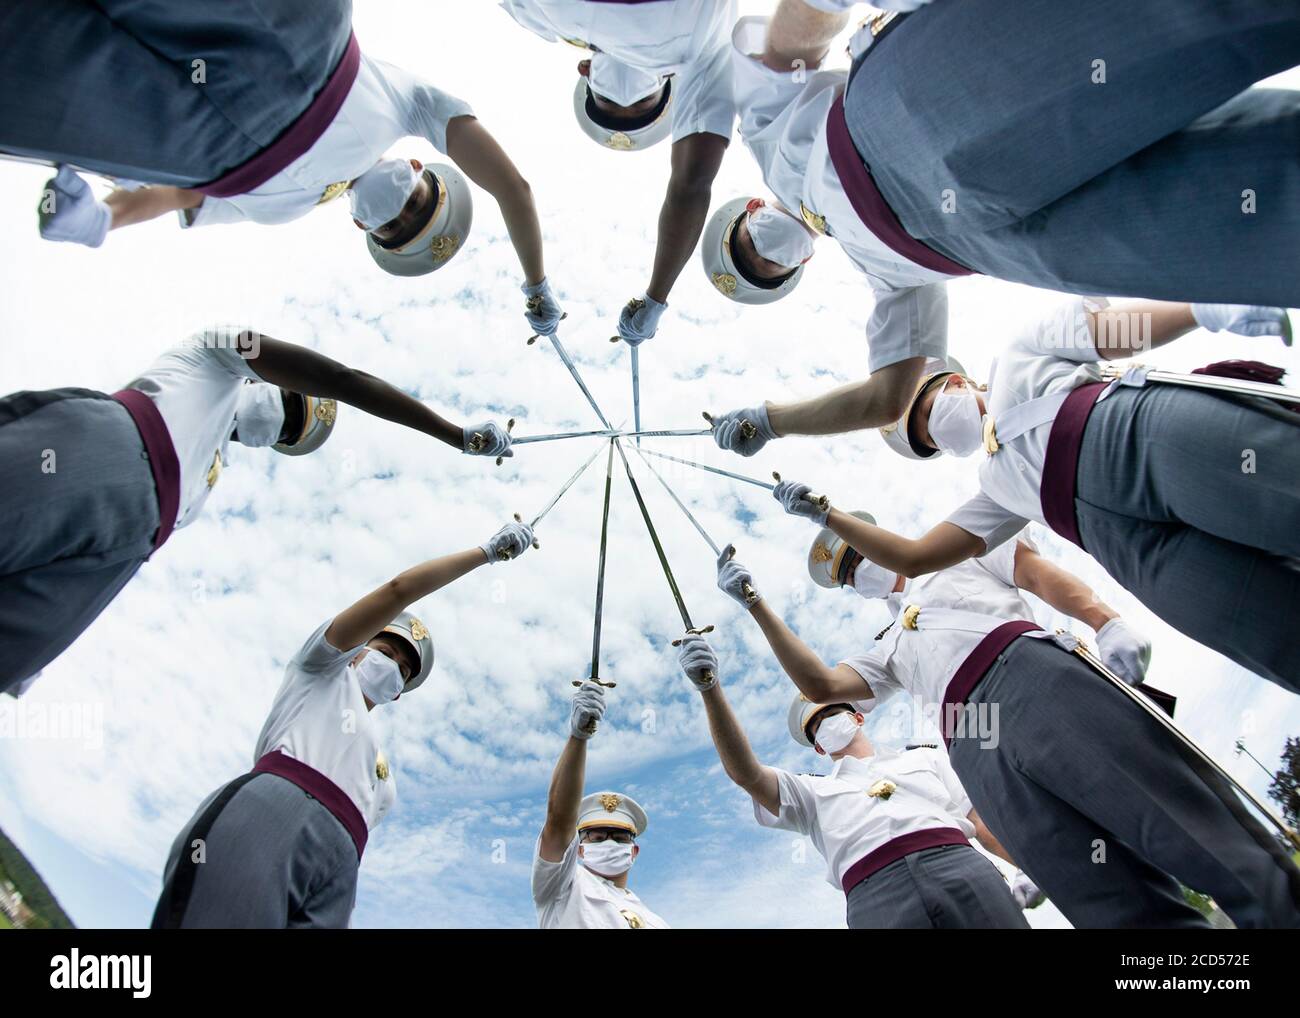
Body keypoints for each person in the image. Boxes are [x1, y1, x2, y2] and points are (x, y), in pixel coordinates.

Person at [706, 2, 1300, 455]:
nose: (767, 257)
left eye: (748, 250)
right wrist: (772, 419)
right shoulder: (888, 286)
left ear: (751, 209)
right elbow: (885, 398)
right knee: (1231, 219)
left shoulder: (767, 140)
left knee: (1170, 22)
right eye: (767, 270)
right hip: (982, 245)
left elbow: (787, 46)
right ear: (799, 267)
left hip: (900, 117)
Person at [718, 507, 1300, 927]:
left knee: (1178, 821)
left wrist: (1103, 619)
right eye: (846, 574)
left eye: (855, 554)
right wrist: (756, 606)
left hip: (1032, 678)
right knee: (1096, 892)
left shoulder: (959, 551)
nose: (857, 570)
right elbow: (820, 683)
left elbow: (1037, 574)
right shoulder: (887, 643)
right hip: (973, 745)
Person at [809, 297, 1298, 692]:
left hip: (1138, 436)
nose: (935, 432)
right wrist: (827, 513)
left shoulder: (1017, 354)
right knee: (1256, 624)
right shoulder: (995, 488)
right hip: (1128, 550)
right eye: (928, 440)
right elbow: (915, 559)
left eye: (927, 412)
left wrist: (1198, 312)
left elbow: (1111, 332)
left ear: (955, 381)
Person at [0, 326, 514, 696]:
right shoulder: (209, 357)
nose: (285, 420)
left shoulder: (206, 480)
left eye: (290, 431)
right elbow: (343, 379)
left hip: (127, 547)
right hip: (108, 443)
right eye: (293, 401)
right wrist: (454, 434)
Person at [5, 0, 559, 332]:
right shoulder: (408, 103)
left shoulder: (283, 210)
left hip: (190, 143)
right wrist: (535, 285)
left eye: (396, 225)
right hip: (295, 40)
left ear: (363, 227)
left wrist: (103, 220)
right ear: (419, 165)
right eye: (418, 201)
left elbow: (177, 196)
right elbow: (513, 188)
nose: (401, 209)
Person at [151, 522, 535, 927]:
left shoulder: (383, 779)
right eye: (387, 651)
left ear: (398, 694)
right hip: (278, 809)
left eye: (404, 672)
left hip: (344, 859)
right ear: (358, 649)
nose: (394, 669)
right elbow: (399, 589)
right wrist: (487, 553)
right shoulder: (319, 669)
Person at [676, 632, 1040, 928]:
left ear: (858, 718)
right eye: (816, 728)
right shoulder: (811, 792)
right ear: (817, 748)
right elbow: (747, 774)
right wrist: (711, 689)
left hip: (959, 866)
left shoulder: (924, 757)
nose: (826, 725)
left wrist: (1028, 865)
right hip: (874, 894)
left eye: (832, 712)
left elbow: (977, 820)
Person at [499, 0, 736, 346]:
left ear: (586, 70)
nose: (626, 100)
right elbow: (691, 184)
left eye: (609, 103)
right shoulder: (703, 49)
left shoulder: (539, 15)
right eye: (641, 104)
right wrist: (655, 298)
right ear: (671, 78)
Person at [532, 682, 669, 928]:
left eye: (619, 837)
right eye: (596, 838)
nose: (609, 843)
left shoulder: (656, 922)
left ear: (634, 851)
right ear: (580, 850)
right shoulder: (562, 885)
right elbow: (558, 821)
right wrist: (579, 736)